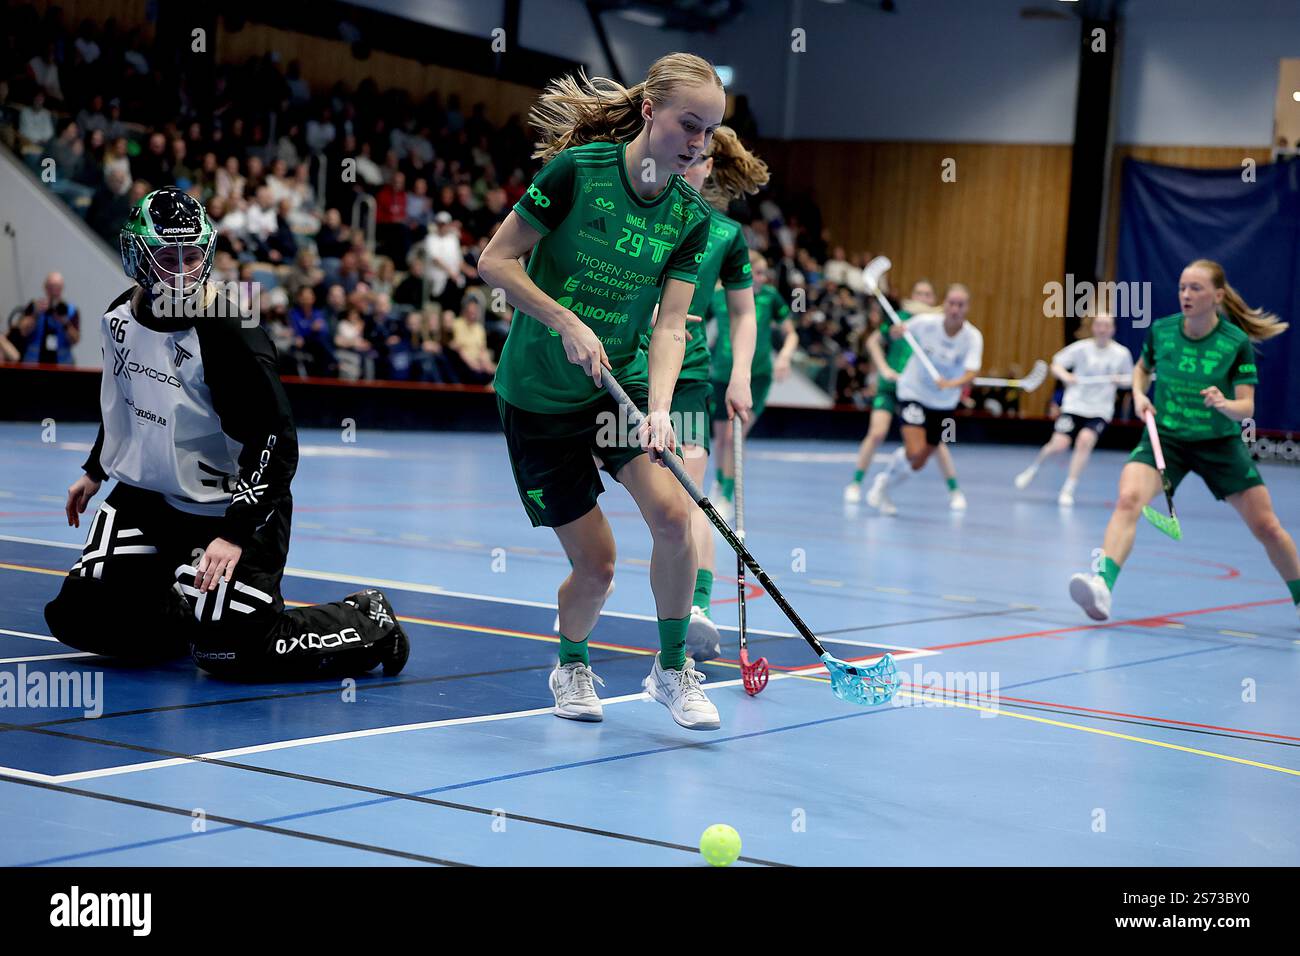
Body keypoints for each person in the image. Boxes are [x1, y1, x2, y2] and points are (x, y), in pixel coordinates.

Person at [45, 188, 409, 679]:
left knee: (231, 654)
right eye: (166, 257)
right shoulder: (120, 317)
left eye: (191, 256)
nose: (181, 271)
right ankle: (188, 610)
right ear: (137, 256)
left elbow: (275, 441)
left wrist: (234, 534)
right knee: (82, 616)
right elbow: (126, 400)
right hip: (150, 497)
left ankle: (367, 620)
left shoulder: (231, 331)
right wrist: (95, 469)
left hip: (232, 508)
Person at [477, 53, 724, 730]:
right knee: (598, 567)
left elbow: (672, 324)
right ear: (650, 110)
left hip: (619, 384)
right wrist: (563, 317)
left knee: (676, 519)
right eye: (689, 125)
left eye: (710, 132)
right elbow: (494, 261)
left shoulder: (688, 217)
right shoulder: (577, 174)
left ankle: (671, 671)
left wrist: (663, 412)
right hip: (538, 396)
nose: (699, 144)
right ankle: (572, 663)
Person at [1069, 260, 1300, 623]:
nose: (1186, 295)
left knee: (1267, 527)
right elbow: (1142, 369)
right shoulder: (1161, 331)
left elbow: (1246, 408)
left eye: (1196, 288)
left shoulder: (1233, 342)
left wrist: (1225, 404)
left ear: (1217, 296)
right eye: (1182, 288)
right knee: (1128, 499)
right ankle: (1102, 586)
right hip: (1167, 439)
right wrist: (1140, 394)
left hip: (1218, 444)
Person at [642, 127, 767, 661]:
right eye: (683, 148)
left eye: (699, 154)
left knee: (688, 494)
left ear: (709, 165)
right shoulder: (640, 209)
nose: (688, 159)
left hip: (687, 378)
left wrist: (739, 374)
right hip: (617, 367)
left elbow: (743, 312)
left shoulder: (724, 235)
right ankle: (585, 583)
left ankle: (695, 609)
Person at [844, 279, 965, 510]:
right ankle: (855, 484)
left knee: (935, 442)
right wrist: (884, 369)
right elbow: (872, 342)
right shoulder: (899, 317)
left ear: (934, 300)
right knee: (877, 433)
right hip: (891, 386)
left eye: (927, 294)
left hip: (918, 391)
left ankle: (954, 491)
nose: (922, 297)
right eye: (918, 293)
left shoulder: (936, 325)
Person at [866, 284, 983, 515]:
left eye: (960, 305)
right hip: (914, 392)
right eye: (951, 303)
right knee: (915, 450)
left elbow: (971, 373)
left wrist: (950, 384)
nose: (955, 309)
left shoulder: (972, 337)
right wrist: (896, 330)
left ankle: (884, 485)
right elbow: (897, 332)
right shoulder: (926, 323)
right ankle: (881, 484)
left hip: (943, 402)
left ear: (966, 308)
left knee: (919, 463)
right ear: (945, 304)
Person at [707, 251, 798, 521]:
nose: (759, 278)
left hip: (755, 377)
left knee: (737, 436)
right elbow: (696, 319)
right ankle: (719, 482)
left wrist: (784, 356)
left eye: (762, 274)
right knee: (722, 438)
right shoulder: (718, 295)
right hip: (722, 374)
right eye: (754, 273)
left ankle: (725, 494)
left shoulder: (770, 298)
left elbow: (791, 334)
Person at [1014, 312, 1133, 506]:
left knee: (1085, 441)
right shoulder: (1080, 349)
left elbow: (1130, 381)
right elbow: (1056, 364)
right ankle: (1034, 468)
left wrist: (1119, 381)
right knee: (1058, 445)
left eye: (1107, 325)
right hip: (1074, 405)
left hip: (1099, 410)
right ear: (1093, 327)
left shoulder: (1121, 354)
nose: (1102, 329)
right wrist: (1065, 376)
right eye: (1099, 325)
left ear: (1113, 329)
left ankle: (1069, 488)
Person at [20, 272, 80, 364]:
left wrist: (65, 322)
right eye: (51, 286)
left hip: (62, 365)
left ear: (62, 288)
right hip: (34, 364)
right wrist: (35, 315)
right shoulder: (34, 306)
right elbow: (23, 331)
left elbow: (75, 339)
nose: (54, 290)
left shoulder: (70, 310)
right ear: (45, 287)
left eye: (57, 287)